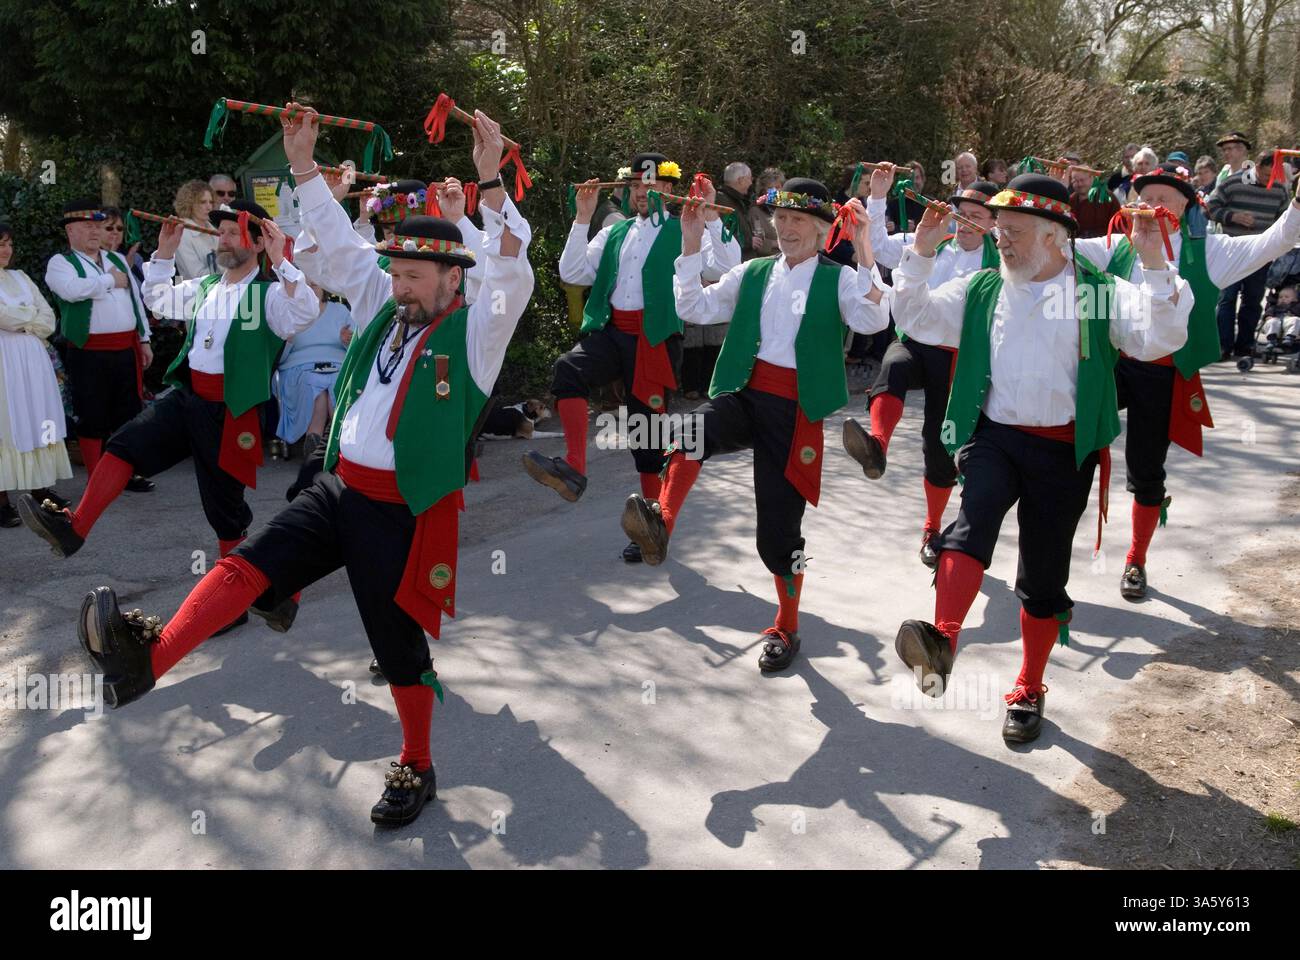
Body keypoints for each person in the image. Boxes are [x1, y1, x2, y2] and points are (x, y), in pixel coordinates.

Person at [74, 102, 533, 829]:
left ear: (454, 279)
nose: (402, 285)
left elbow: (511, 268)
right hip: (340, 487)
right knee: (246, 566)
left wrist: (491, 185)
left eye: (416, 276)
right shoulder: (386, 303)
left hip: (404, 508)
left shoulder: (480, 328)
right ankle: (148, 661)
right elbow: (344, 254)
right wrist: (300, 166)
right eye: (400, 272)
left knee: (398, 648)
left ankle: (417, 762)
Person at [889, 173, 1191, 743]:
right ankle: (943, 638)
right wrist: (922, 253)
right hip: (995, 436)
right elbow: (918, 318)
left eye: (1015, 232)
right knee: (969, 524)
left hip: (1064, 448)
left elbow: (1160, 338)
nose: (1000, 241)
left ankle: (1029, 686)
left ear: (1056, 236)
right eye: (998, 229)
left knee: (1042, 576)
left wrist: (1153, 263)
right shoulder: (985, 287)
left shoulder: (1097, 290)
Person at [620, 180, 891, 671]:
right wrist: (688, 241)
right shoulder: (753, 271)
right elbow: (693, 308)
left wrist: (867, 247)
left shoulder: (842, 278)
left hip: (795, 411)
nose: (785, 229)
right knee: (688, 432)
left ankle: (788, 624)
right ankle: (661, 521)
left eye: (798, 221)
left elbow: (874, 320)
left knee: (780, 536)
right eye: (779, 219)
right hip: (745, 394)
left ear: (823, 229)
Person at [20, 199, 318, 636]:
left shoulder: (272, 294)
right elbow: (157, 298)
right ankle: (74, 528)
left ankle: (235, 603)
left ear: (257, 243)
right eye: (220, 232)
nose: (223, 239)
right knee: (124, 443)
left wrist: (283, 263)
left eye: (233, 232)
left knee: (226, 514)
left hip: (231, 413)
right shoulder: (205, 286)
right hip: (186, 396)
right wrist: (162, 254)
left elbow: (305, 312)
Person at [1076, 161, 1300, 599]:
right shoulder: (1115, 245)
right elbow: (1059, 248)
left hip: (1166, 375)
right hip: (1115, 365)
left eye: (1165, 198)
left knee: (1145, 471)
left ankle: (1136, 559)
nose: (1154, 205)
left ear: (1188, 205)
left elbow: (1279, 240)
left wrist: (1298, 203)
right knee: (1072, 431)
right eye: (1147, 197)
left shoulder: (1209, 251)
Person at [523, 153, 741, 563]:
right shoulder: (615, 232)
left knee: (647, 436)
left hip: (655, 340)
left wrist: (711, 217)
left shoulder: (684, 228)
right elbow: (573, 273)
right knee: (568, 368)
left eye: (652, 185)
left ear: (669, 189)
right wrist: (581, 217)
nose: (643, 192)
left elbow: (725, 268)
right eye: (637, 186)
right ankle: (572, 467)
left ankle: (652, 529)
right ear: (629, 190)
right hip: (611, 332)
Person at [842, 166, 1000, 566]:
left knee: (939, 446)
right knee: (892, 369)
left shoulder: (1000, 259)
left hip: (958, 359)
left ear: (993, 223)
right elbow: (876, 243)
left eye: (976, 217)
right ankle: (877, 445)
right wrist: (878, 196)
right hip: (915, 342)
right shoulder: (932, 239)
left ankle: (932, 527)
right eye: (961, 212)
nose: (964, 223)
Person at [43, 199, 154, 490]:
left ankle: (126, 473)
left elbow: (135, 302)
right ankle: (97, 478)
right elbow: (71, 291)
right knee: (91, 413)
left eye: (97, 226)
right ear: (70, 231)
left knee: (128, 412)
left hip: (124, 347)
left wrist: (144, 340)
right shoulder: (60, 263)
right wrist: (109, 281)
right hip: (87, 351)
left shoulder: (116, 260)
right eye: (87, 226)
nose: (95, 232)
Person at [0, 222, 73, 526]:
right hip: (4, 362)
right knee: (6, 421)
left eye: (9, 244)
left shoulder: (20, 277)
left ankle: (41, 488)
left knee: (38, 416)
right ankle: (1, 499)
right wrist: (29, 319)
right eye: (0, 244)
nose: (7, 250)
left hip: (32, 358)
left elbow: (48, 318)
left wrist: (23, 321)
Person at [1207, 150, 1293, 358]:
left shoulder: (1280, 190)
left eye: (1273, 175)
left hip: (1261, 254)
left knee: (1252, 301)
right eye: (1265, 174)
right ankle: (1223, 345)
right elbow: (1210, 207)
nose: (1268, 180)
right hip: (1231, 252)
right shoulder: (1232, 183)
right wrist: (1232, 216)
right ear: (1256, 165)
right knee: (1226, 299)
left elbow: (1284, 221)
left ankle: (1245, 346)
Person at [272, 284, 351, 457]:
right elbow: (280, 359)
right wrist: (289, 341)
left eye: (314, 284)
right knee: (314, 385)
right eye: (304, 284)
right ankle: (325, 443)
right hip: (299, 366)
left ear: (324, 287)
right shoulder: (289, 314)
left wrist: (347, 341)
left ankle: (325, 440)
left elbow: (355, 349)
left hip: (337, 363)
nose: (309, 288)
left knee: (335, 384)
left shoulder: (341, 310)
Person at [173, 180, 220, 280]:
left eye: (211, 202)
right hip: (193, 293)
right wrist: (229, 265)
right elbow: (195, 276)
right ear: (189, 204)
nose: (209, 207)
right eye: (202, 202)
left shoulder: (214, 229)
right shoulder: (182, 233)